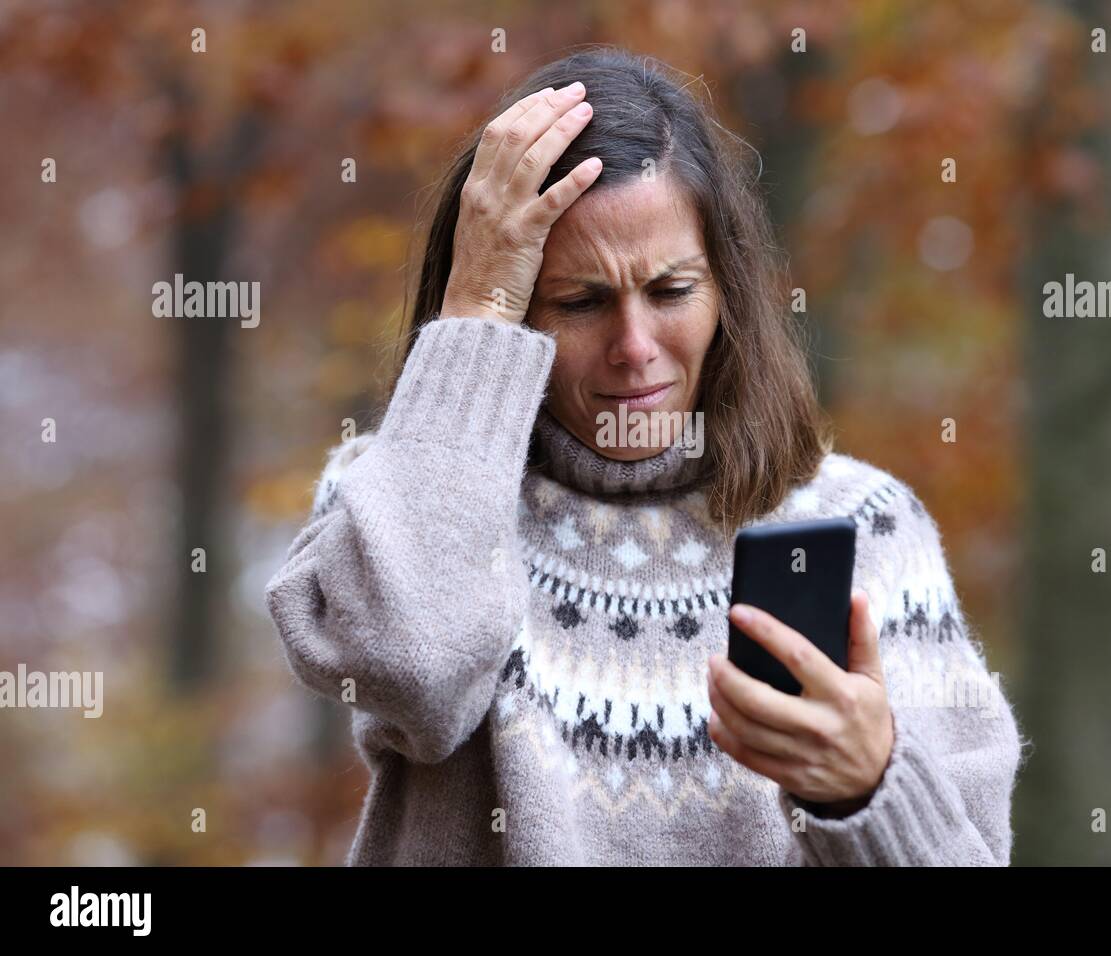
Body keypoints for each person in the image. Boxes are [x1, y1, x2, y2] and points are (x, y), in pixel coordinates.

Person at [265, 47, 1027, 865]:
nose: (635, 348)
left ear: (726, 290)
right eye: (580, 301)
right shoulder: (400, 493)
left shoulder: (863, 529)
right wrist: (478, 299)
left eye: (671, 293)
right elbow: (408, 671)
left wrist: (870, 790)